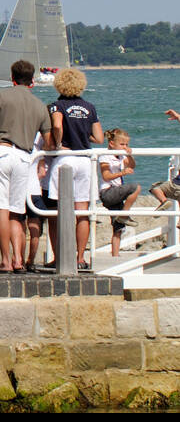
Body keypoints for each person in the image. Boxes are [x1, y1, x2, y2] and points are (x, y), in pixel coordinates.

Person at [0, 60, 53, 273]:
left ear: (12, 77)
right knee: (16, 212)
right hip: (23, 157)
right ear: (32, 81)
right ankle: (19, 260)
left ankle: (6, 261)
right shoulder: (39, 105)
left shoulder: (2, 95)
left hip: (1, 152)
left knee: (1, 210)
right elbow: (48, 142)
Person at [46, 67, 103, 270]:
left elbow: (57, 125)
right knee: (82, 211)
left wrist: (59, 142)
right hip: (84, 160)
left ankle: (59, 256)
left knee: (57, 211)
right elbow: (99, 137)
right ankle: (80, 257)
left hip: (65, 159)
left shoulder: (56, 106)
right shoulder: (89, 107)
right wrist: (81, 134)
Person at [99, 129, 139, 257]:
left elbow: (132, 165)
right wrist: (122, 173)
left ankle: (115, 255)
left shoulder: (121, 156)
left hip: (116, 193)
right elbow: (106, 176)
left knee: (118, 228)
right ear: (111, 143)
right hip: (108, 192)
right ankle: (124, 214)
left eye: (126, 144)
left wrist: (129, 155)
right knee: (135, 188)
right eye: (122, 144)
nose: (125, 147)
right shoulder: (105, 156)